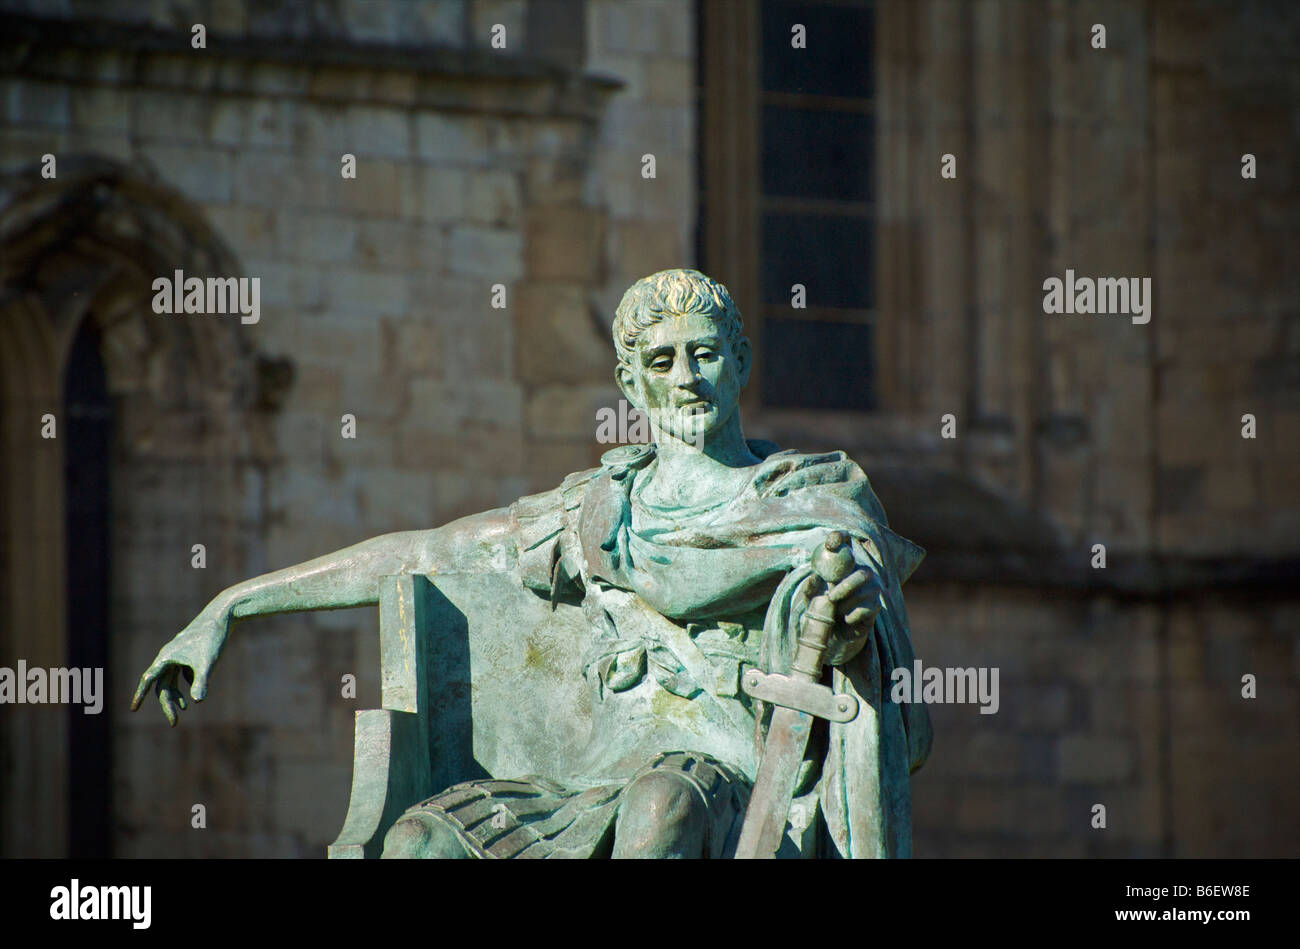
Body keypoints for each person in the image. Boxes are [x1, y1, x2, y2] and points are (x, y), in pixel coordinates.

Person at [133, 268, 931, 858]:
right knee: (418, 840)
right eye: (661, 362)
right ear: (630, 382)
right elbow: (419, 553)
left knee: (659, 808)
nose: (686, 378)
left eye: (705, 354)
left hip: (723, 775)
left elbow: (880, 672)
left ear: (742, 361)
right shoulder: (595, 510)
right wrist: (229, 605)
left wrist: (851, 623)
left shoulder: (806, 496)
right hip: (586, 782)